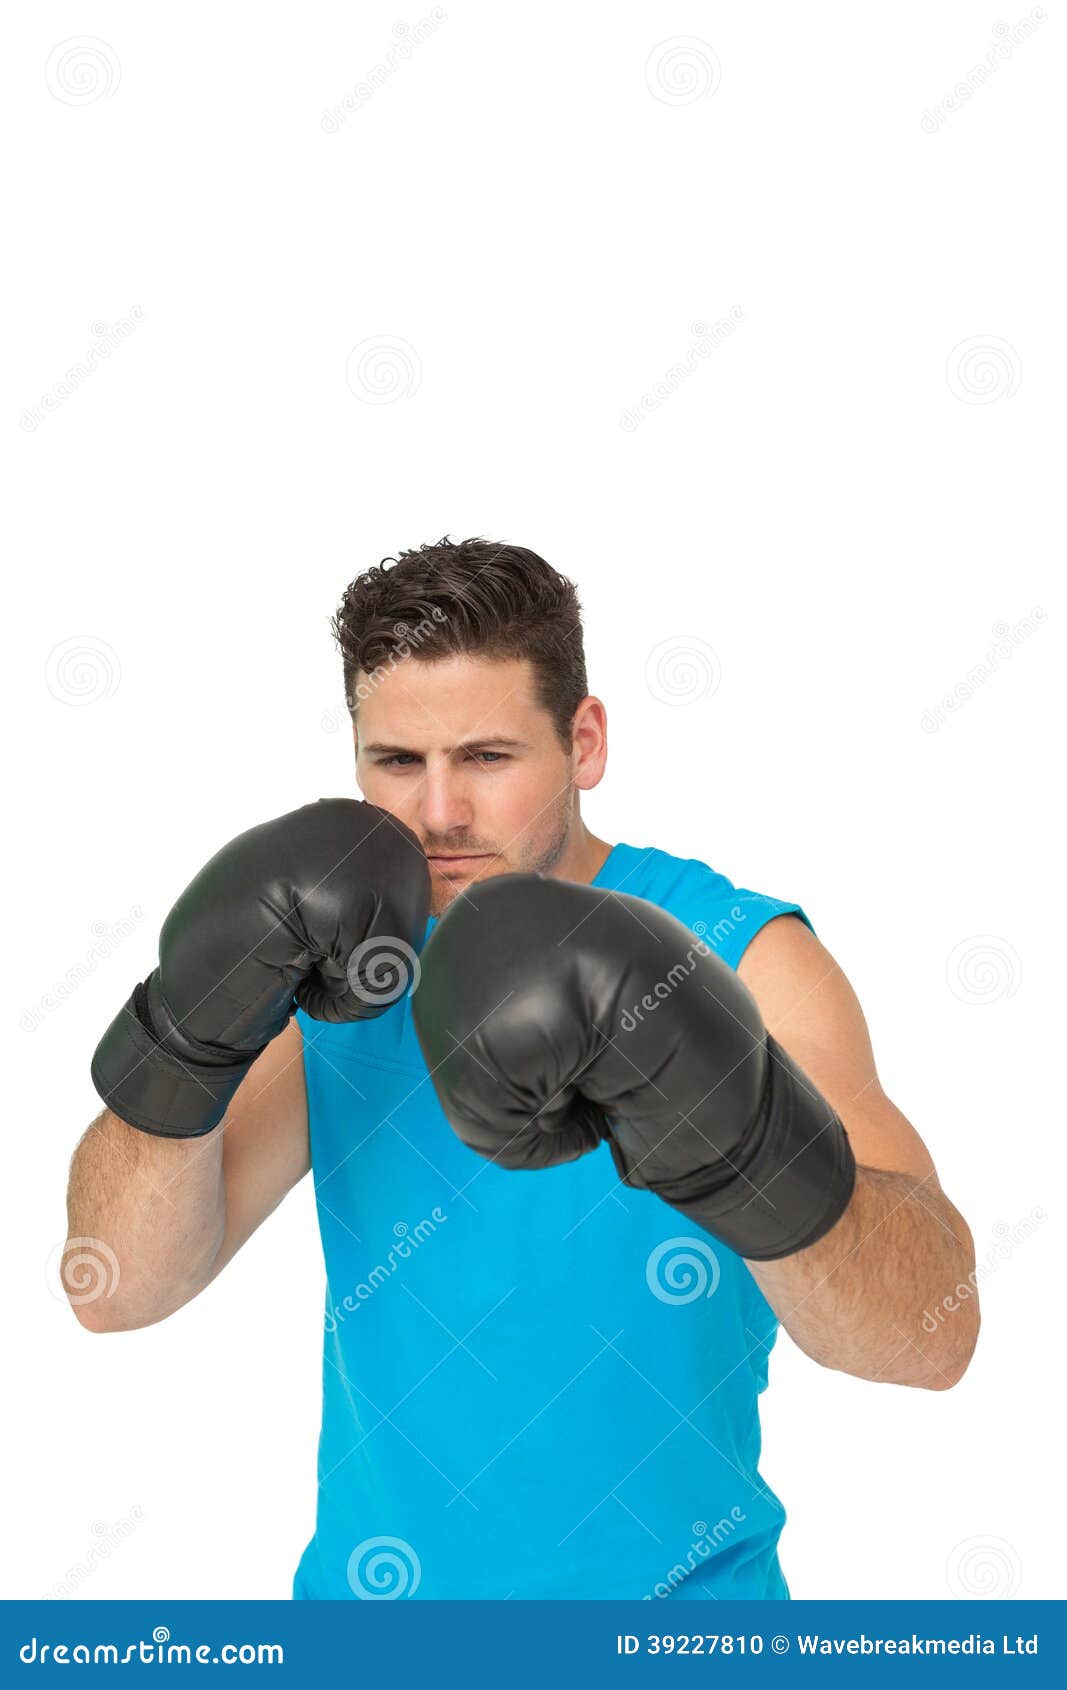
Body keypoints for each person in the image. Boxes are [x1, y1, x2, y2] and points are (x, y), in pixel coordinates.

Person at [68, 537, 979, 1600]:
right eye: (397, 762)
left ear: (583, 742)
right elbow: (115, 1286)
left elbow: (934, 1336)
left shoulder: (735, 951)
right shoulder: (336, 969)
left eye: (488, 758)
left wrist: (738, 1138)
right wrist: (189, 1020)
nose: (439, 812)